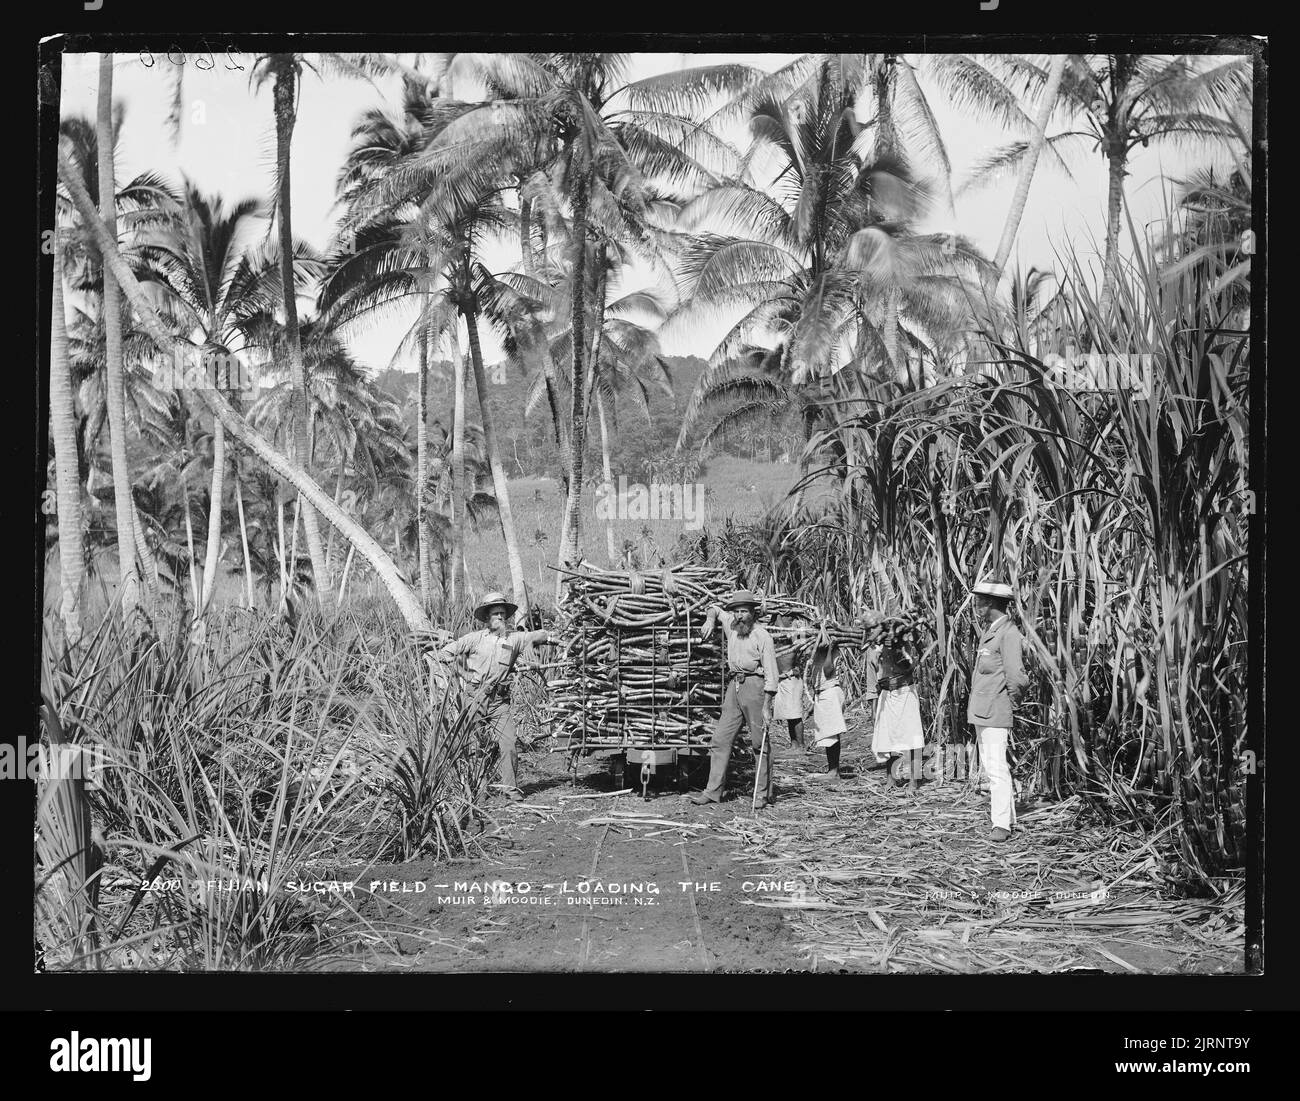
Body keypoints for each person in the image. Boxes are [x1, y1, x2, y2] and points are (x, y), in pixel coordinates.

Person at [436, 591, 554, 802]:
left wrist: (542, 635)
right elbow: (444, 654)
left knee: (508, 744)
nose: (499, 617)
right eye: (495, 614)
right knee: (475, 745)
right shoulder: (473, 639)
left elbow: (539, 635)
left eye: (502, 613)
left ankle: (510, 790)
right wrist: (463, 673)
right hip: (474, 698)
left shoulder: (514, 639)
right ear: (487, 618)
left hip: (500, 701)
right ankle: (477, 790)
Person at [686, 590, 780, 809]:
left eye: (744, 612)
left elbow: (772, 674)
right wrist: (710, 619)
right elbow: (715, 609)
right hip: (734, 687)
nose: (739, 616)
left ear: (753, 613)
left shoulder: (762, 635)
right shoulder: (732, 627)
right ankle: (712, 791)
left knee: (760, 742)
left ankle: (762, 794)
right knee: (720, 739)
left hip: (755, 687)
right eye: (736, 611)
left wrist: (767, 705)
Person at [967, 580, 1029, 842]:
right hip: (983, 710)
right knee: (993, 765)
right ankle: (1007, 817)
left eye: (980, 601)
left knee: (996, 769)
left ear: (990, 604)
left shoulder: (1008, 633)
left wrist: (1011, 703)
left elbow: (1018, 678)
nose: (977, 605)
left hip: (995, 710)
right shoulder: (991, 631)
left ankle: (1001, 826)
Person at [866, 616, 925, 795]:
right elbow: (871, 681)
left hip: (905, 692)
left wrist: (896, 647)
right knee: (888, 739)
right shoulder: (871, 649)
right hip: (886, 694)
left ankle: (913, 782)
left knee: (912, 738)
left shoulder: (901, 641)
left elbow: (911, 663)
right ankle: (891, 779)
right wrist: (873, 707)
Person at [804, 641, 847, 780]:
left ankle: (834, 770)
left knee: (832, 733)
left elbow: (828, 670)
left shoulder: (833, 652)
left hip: (830, 692)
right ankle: (832, 769)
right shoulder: (817, 651)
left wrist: (829, 649)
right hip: (823, 694)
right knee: (829, 734)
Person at [773, 615, 811, 752]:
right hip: (782, 679)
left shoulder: (795, 634)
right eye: (787, 617)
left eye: (791, 617)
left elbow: (804, 649)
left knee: (795, 714)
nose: (790, 619)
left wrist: (795, 627)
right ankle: (794, 744)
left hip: (792, 678)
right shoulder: (775, 634)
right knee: (789, 715)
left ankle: (801, 745)